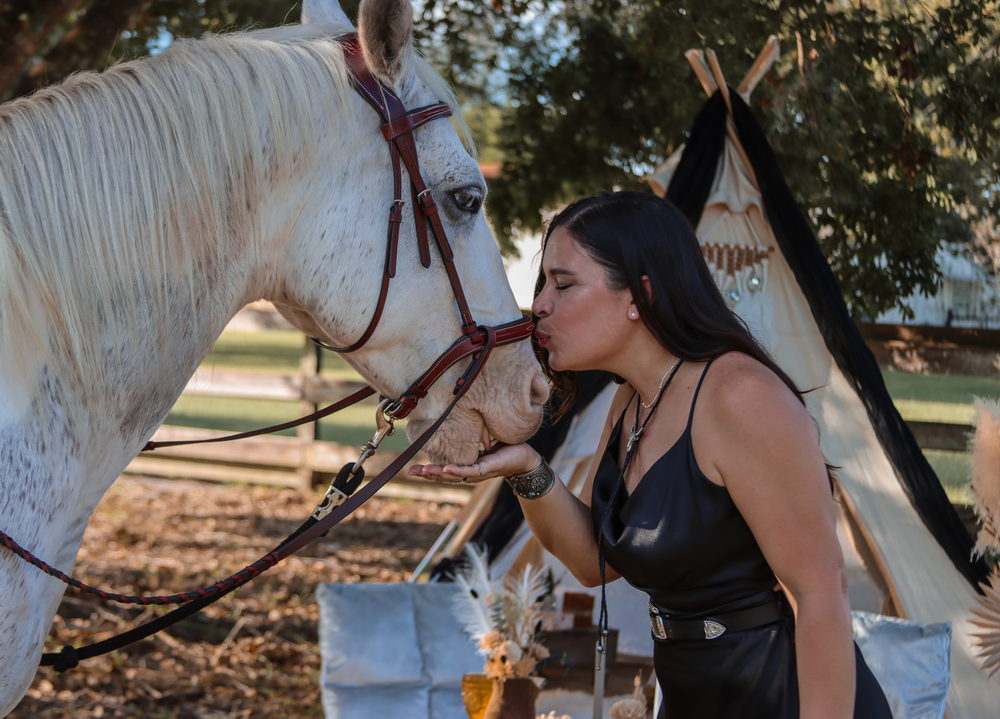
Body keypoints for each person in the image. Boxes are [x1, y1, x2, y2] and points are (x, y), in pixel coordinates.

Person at [410, 191, 892, 718]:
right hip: (690, 695)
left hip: (780, 696)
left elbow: (821, 591)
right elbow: (594, 561)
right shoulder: (631, 400)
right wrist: (526, 468)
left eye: (564, 284)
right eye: (543, 283)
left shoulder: (740, 396)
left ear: (639, 294)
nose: (541, 303)